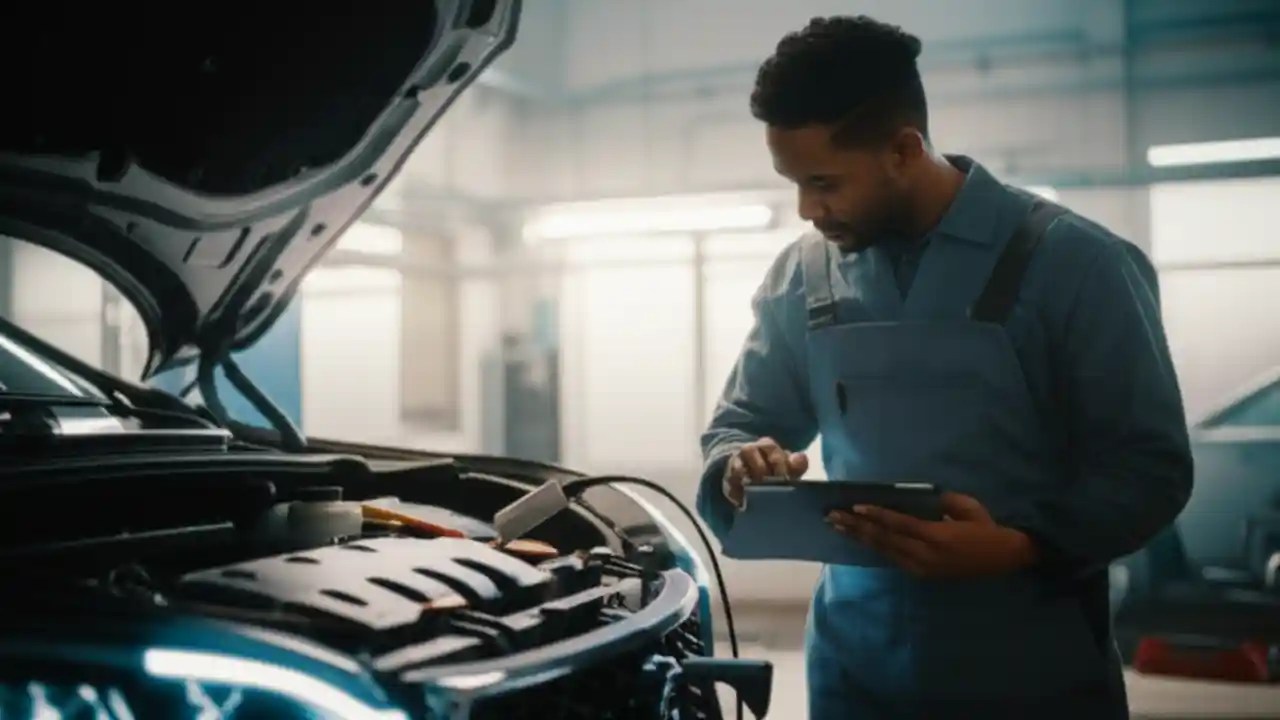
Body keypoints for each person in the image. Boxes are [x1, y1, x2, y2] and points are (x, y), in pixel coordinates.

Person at [696, 15, 1193, 720]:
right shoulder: (804, 277)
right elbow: (739, 425)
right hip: (852, 675)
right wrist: (740, 464)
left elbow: (1150, 467)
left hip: (1032, 677)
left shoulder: (1078, 266)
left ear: (904, 150)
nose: (808, 210)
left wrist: (1020, 547)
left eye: (824, 182)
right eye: (794, 184)